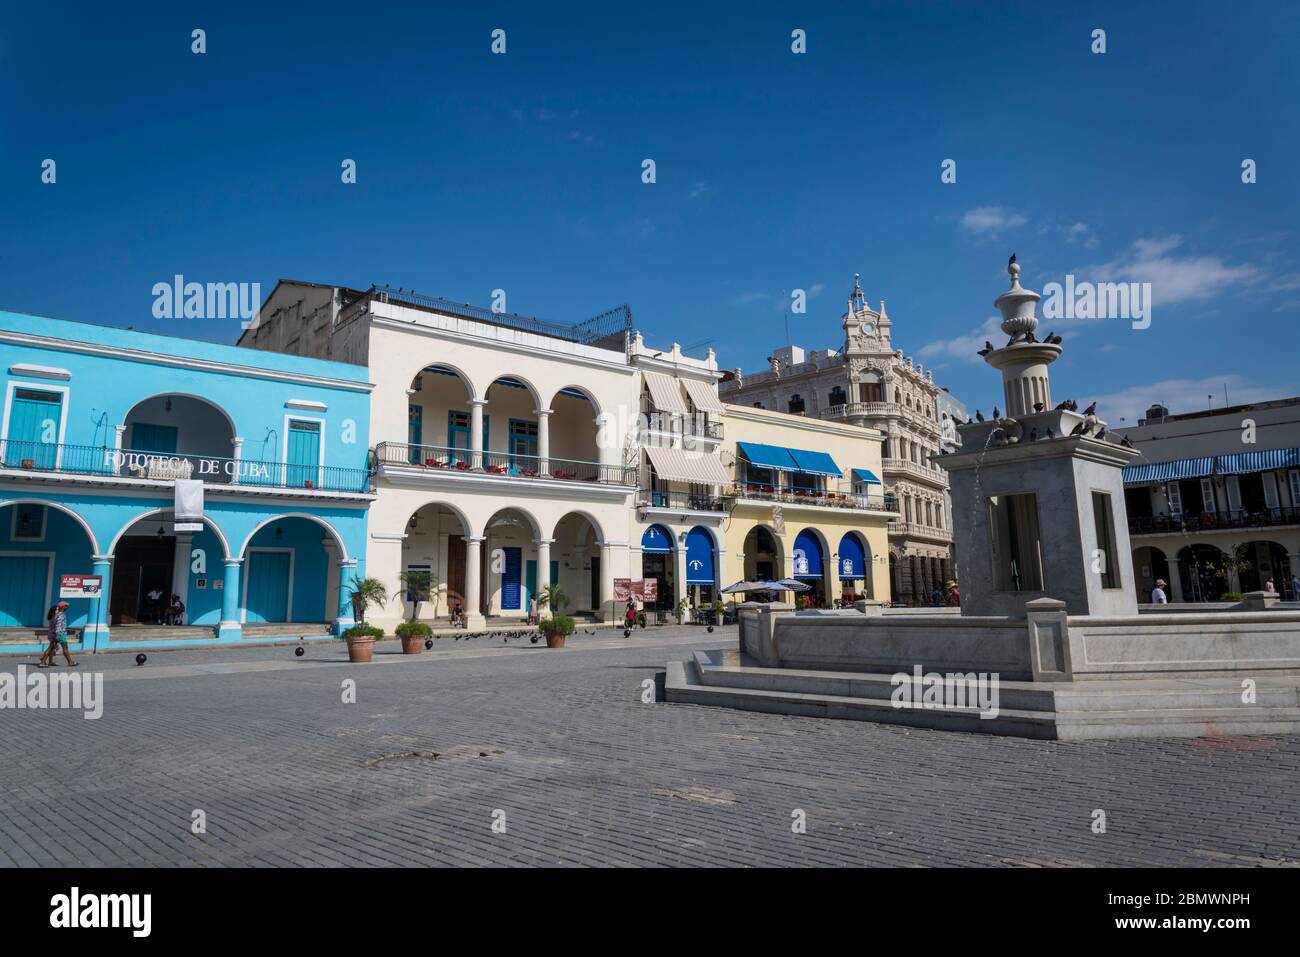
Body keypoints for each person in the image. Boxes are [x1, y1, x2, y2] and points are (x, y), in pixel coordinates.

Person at [39, 601, 77, 668]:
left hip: (57, 634)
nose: (67, 607)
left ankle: (43, 661)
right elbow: (58, 625)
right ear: (62, 607)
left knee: (51, 648)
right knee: (64, 648)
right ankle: (70, 662)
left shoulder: (57, 615)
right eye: (65, 606)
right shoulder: (61, 615)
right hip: (60, 634)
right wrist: (57, 635)